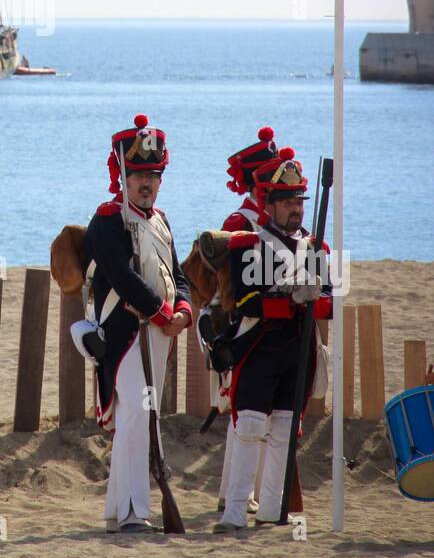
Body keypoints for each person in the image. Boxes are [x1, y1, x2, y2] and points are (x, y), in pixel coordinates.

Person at [82, 114, 193, 533]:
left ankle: (118, 511)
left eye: (153, 174)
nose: (146, 182)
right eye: (139, 174)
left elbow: (177, 275)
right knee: (134, 419)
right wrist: (161, 312)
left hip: (160, 333)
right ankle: (133, 512)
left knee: (144, 418)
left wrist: (182, 309)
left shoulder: (161, 220)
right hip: (126, 334)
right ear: (122, 176)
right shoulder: (108, 219)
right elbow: (122, 276)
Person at [214, 148, 332, 532]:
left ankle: (271, 510)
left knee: (283, 432)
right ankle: (233, 514)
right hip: (259, 349)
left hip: (297, 353)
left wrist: (317, 297)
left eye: (299, 200)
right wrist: (291, 297)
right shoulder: (246, 244)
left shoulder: (317, 248)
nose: (295, 208)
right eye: (287, 201)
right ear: (269, 203)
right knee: (248, 429)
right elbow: (246, 303)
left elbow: (330, 306)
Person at [211, 127, 282, 514]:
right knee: (244, 414)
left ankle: (243, 493)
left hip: (274, 329)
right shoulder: (240, 221)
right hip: (242, 325)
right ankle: (233, 495)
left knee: (264, 414)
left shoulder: (270, 219)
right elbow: (228, 287)